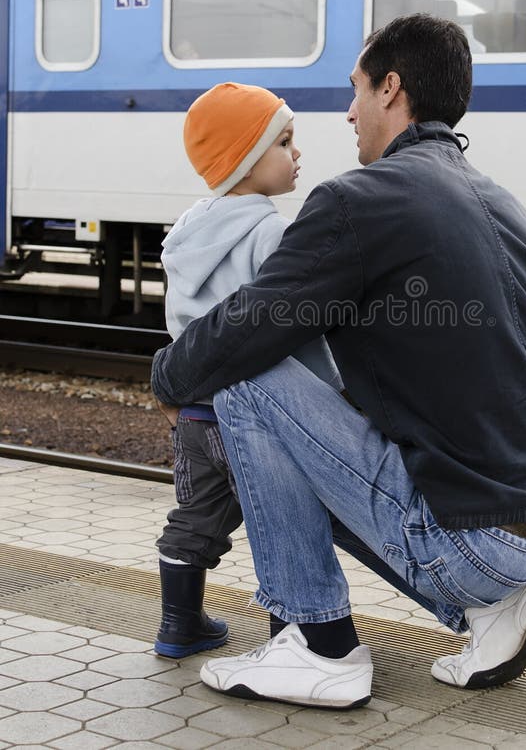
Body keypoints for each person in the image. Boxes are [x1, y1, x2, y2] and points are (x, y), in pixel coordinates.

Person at [151, 14, 526, 708]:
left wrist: (168, 374)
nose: (347, 113)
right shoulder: (500, 202)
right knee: (315, 423)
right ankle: (505, 608)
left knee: (245, 377)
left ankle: (317, 644)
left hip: (470, 546)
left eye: (355, 90)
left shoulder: (360, 200)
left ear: (392, 89)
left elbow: (249, 324)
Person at [154, 82, 342, 659]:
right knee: (277, 520)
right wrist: (332, 390)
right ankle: (288, 637)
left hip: (192, 415)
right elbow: (288, 329)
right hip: (252, 420)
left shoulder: (186, 232)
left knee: (196, 518)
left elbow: (183, 327)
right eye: (285, 142)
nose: (298, 154)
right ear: (245, 159)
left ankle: (178, 626)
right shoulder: (272, 233)